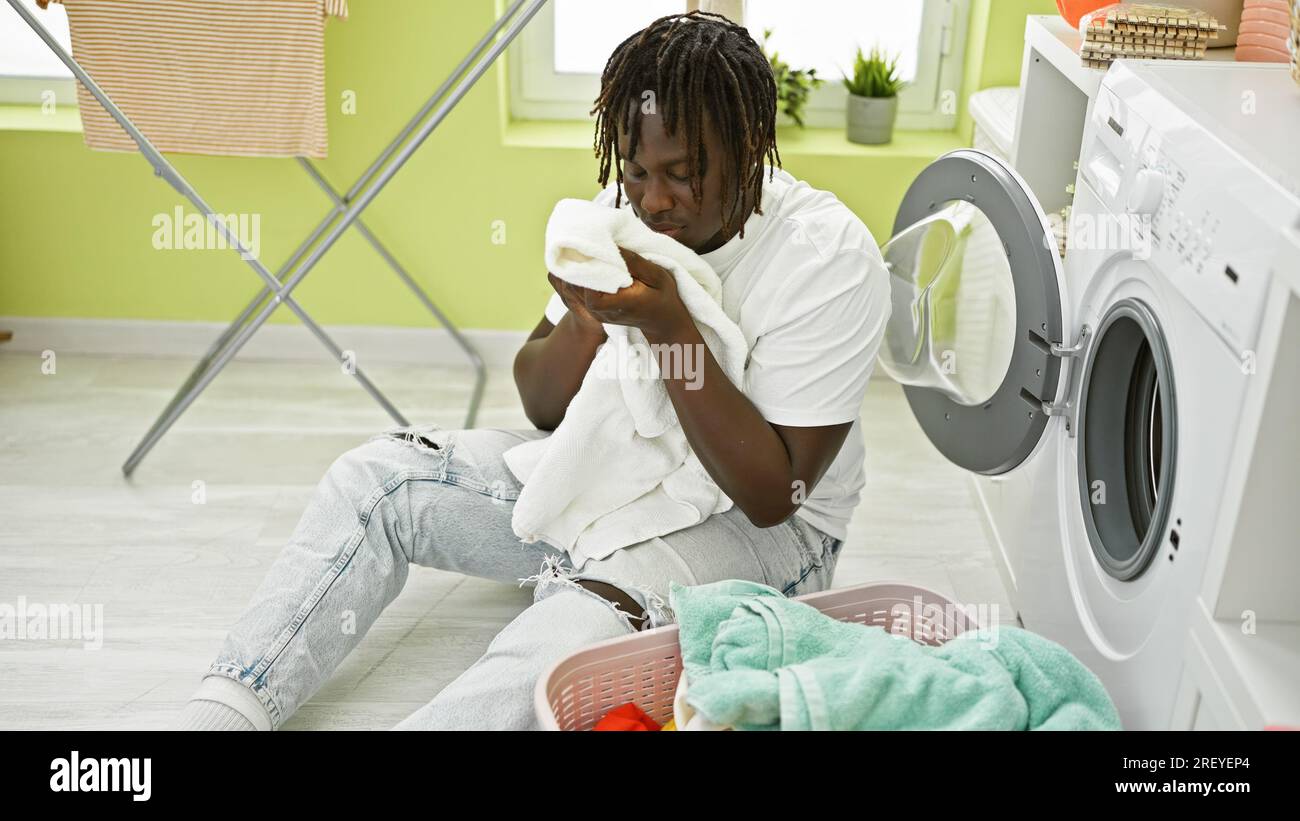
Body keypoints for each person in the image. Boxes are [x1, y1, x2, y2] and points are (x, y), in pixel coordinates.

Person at [176, 10, 890, 731]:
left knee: (574, 632)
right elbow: (542, 405)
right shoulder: (622, 214)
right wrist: (586, 318)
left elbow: (776, 493)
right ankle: (227, 708)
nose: (655, 200)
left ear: (751, 147)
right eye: (638, 171)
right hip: (616, 475)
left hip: (762, 534)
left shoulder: (828, 258)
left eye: (684, 173)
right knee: (381, 478)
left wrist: (669, 325)